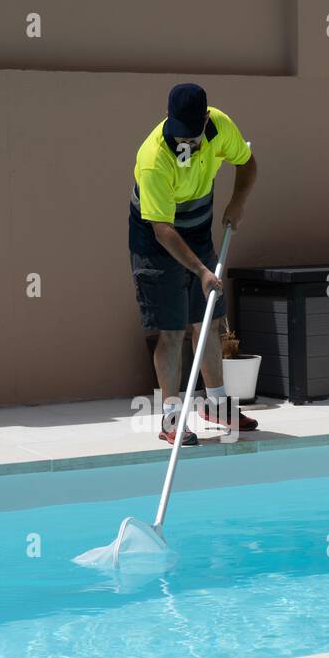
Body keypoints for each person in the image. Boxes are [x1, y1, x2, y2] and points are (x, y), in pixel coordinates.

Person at [129, 82, 259, 445]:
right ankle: (172, 419)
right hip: (157, 237)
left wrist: (238, 202)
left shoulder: (219, 126)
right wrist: (201, 271)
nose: (186, 142)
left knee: (210, 321)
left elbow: (247, 164)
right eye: (180, 134)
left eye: (193, 134)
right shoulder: (154, 157)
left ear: (205, 118)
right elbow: (161, 229)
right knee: (170, 330)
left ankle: (216, 406)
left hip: (198, 226)